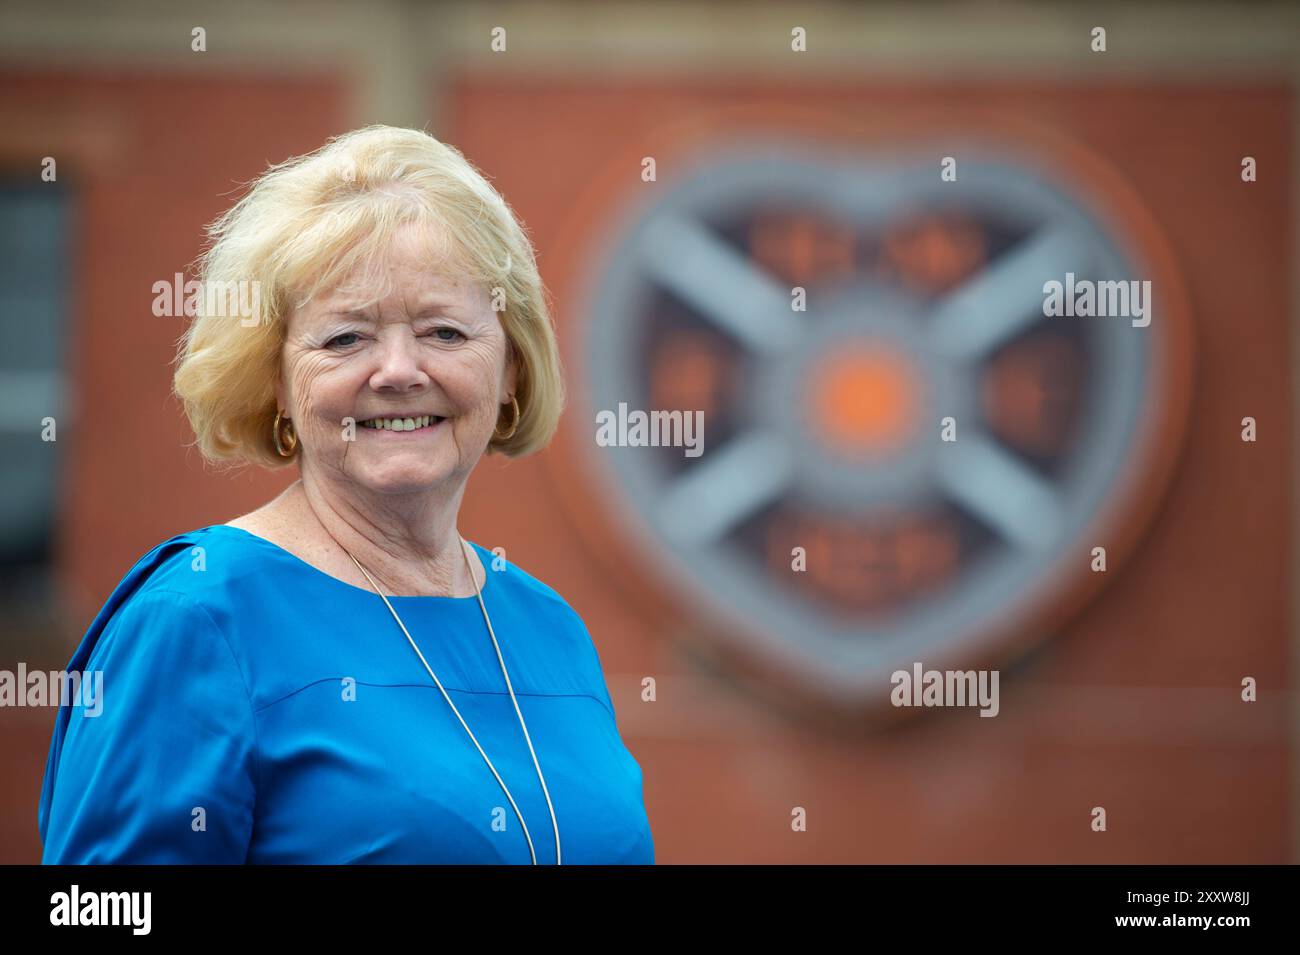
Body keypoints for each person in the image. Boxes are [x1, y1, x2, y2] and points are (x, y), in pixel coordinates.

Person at [37, 125, 654, 864]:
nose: (399, 370)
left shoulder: (552, 628)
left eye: (445, 331)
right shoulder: (199, 618)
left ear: (512, 368)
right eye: (344, 339)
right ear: (273, 380)